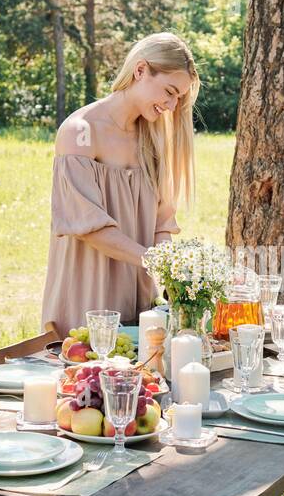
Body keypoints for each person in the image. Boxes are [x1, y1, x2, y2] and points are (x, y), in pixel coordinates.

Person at [40, 32, 198, 336]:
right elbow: (92, 228)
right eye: (169, 91)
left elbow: (161, 225)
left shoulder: (154, 139)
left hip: (140, 302)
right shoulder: (79, 132)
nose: (172, 104)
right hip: (87, 295)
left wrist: (171, 276)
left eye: (178, 97)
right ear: (140, 70)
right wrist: (159, 263)